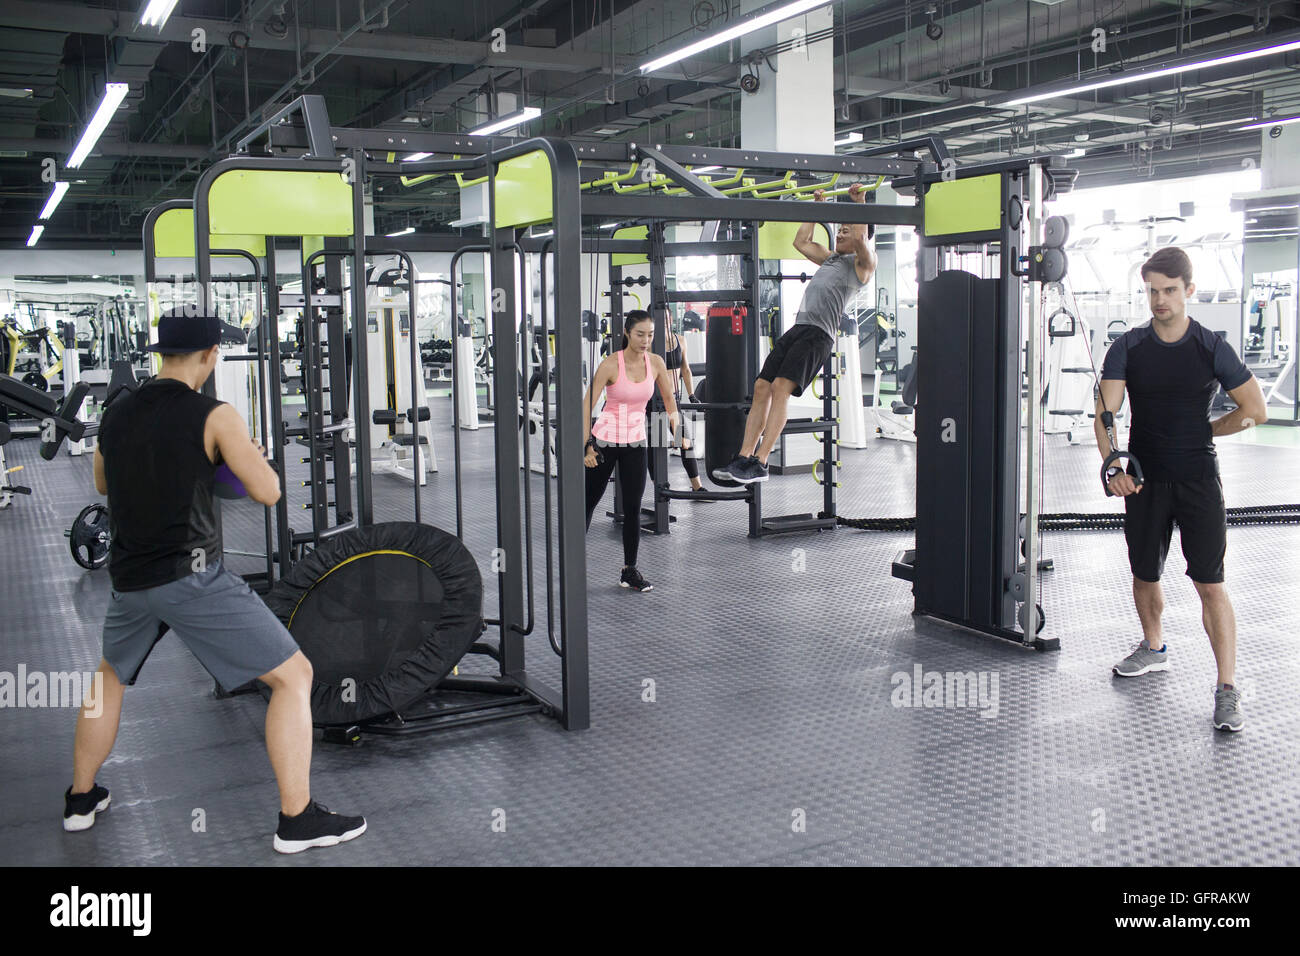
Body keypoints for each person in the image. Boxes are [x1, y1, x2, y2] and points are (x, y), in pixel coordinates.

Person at [66, 308, 366, 853]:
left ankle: (80, 799)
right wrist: (239, 456)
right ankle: (297, 819)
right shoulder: (215, 414)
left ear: (162, 354)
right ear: (209, 355)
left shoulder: (118, 412)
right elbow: (269, 492)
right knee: (294, 676)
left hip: (130, 576)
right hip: (190, 576)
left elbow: (105, 483)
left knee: (109, 676)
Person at [1100, 247, 1267, 732]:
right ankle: (1154, 647)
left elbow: (1254, 408)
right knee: (1144, 572)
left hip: (1198, 480)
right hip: (1145, 480)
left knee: (1209, 584)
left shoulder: (1211, 346)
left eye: (1169, 290)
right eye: (1152, 290)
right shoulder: (1128, 347)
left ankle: (1227, 687)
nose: (1160, 300)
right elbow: (1106, 415)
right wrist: (1114, 464)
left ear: (1189, 291)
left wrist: (1209, 432)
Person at [714, 183, 876, 483]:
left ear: (861, 236)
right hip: (799, 328)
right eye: (839, 229)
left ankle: (761, 461)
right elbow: (802, 242)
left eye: (846, 230)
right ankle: (743, 456)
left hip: (819, 336)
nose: (840, 233)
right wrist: (814, 209)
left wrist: (860, 203)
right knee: (762, 387)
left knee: (780, 389)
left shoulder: (862, 267)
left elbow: (862, 238)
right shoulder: (830, 259)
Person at [583, 310, 680, 592]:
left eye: (650, 335)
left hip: (636, 443)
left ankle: (629, 571)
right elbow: (586, 406)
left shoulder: (657, 363)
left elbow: (670, 405)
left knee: (633, 509)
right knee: (587, 504)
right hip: (604, 442)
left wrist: (681, 436)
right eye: (640, 334)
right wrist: (587, 445)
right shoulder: (611, 364)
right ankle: (573, 564)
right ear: (627, 333)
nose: (645, 340)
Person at [647, 319, 707, 493]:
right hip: (654, 400)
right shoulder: (650, 343)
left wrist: (691, 394)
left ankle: (697, 487)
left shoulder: (680, 340)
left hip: (673, 399)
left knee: (685, 442)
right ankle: (657, 486)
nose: (664, 321)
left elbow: (685, 369)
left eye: (667, 317)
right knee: (655, 444)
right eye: (660, 317)